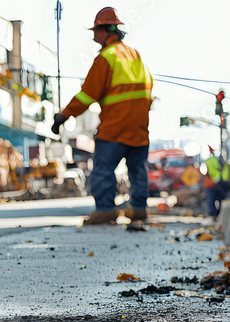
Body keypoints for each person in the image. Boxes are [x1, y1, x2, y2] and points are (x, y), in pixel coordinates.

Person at [52, 7, 153, 228]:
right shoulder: (135, 55)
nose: (93, 36)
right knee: (137, 169)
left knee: (103, 168)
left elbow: (87, 94)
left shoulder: (106, 58)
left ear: (105, 31)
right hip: (139, 127)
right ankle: (138, 210)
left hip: (116, 127)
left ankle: (106, 210)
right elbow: (148, 88)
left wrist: (63, 115)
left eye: (96, 31)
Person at [203, 146, 230, 220]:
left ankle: (216, 215)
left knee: (214, 200)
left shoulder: (209, 161)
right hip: (215, 184)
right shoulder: (221, 162)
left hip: (215, 184)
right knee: (218, 200)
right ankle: (216, 215)